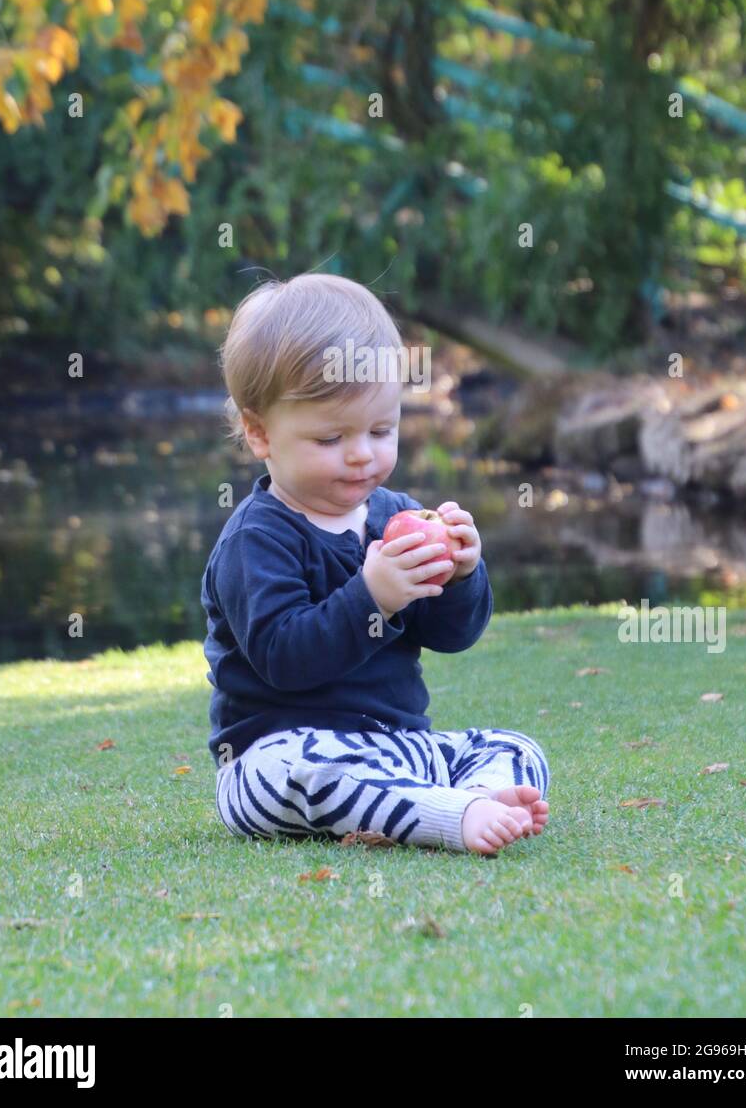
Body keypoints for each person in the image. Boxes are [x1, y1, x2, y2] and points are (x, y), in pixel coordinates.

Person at [201, 273, 549, 856]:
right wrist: (373, 597)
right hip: (278, 757)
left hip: (395, 746)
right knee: (319, 772)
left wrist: (462, 575)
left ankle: (471, 797)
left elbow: (451, 636)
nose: (362, 453)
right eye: (332, 437)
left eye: (381, 430)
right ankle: (445, 814)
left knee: (515, 749)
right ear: (260, 432)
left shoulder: (396, 516)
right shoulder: (255, 540)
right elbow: (286, 659)